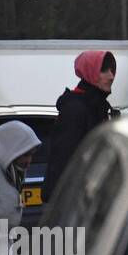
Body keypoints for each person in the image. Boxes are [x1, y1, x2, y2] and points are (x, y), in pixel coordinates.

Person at [44, 49, 115, 196]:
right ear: (90, 73)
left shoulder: (96, 106)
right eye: (104, 70)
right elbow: (63, 161)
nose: (111, 76)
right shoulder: (75, 110)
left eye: (112, 70)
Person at [0, 120, 41, 229]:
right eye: (25, 155)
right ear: (11, 150)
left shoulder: (11, 167)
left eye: (31, 155)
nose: (29, 161)